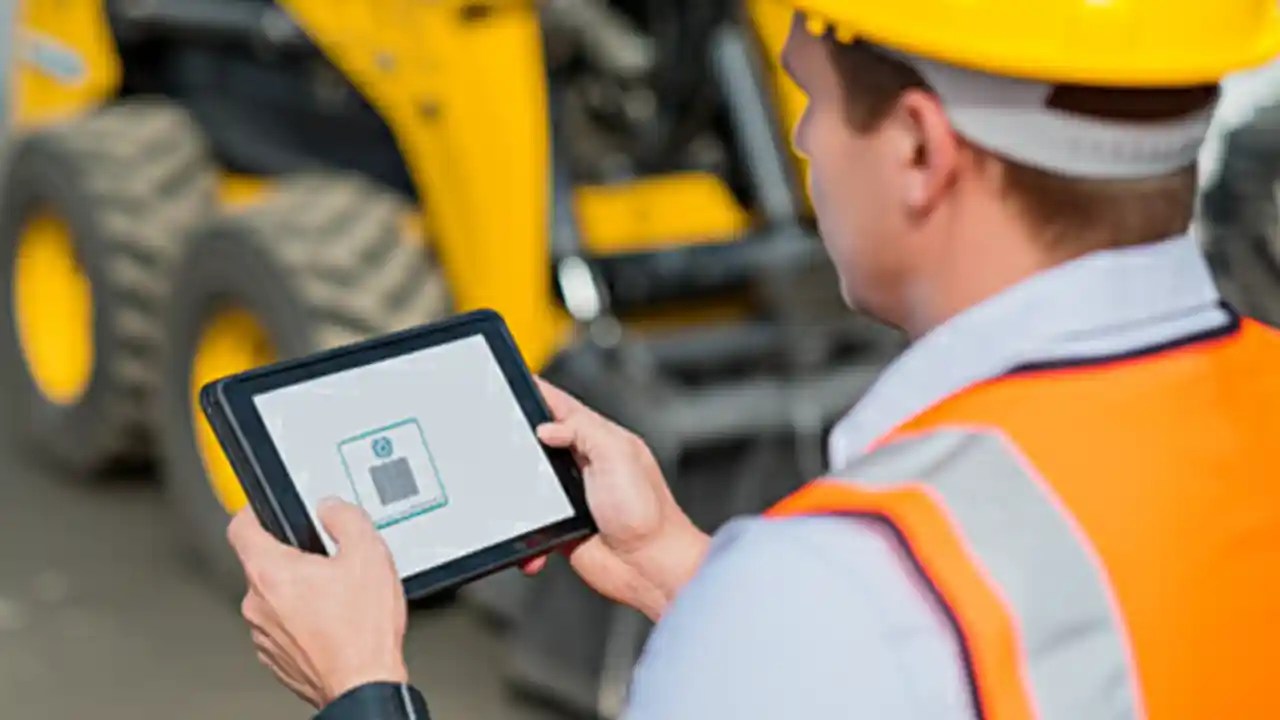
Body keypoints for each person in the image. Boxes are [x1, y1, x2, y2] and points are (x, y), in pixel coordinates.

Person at [226, 2, 1280, 718]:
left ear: (918, 151)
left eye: (813, 101)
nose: (808, 144)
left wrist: (361, 682)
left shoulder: (841, 584)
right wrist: (680, 570)